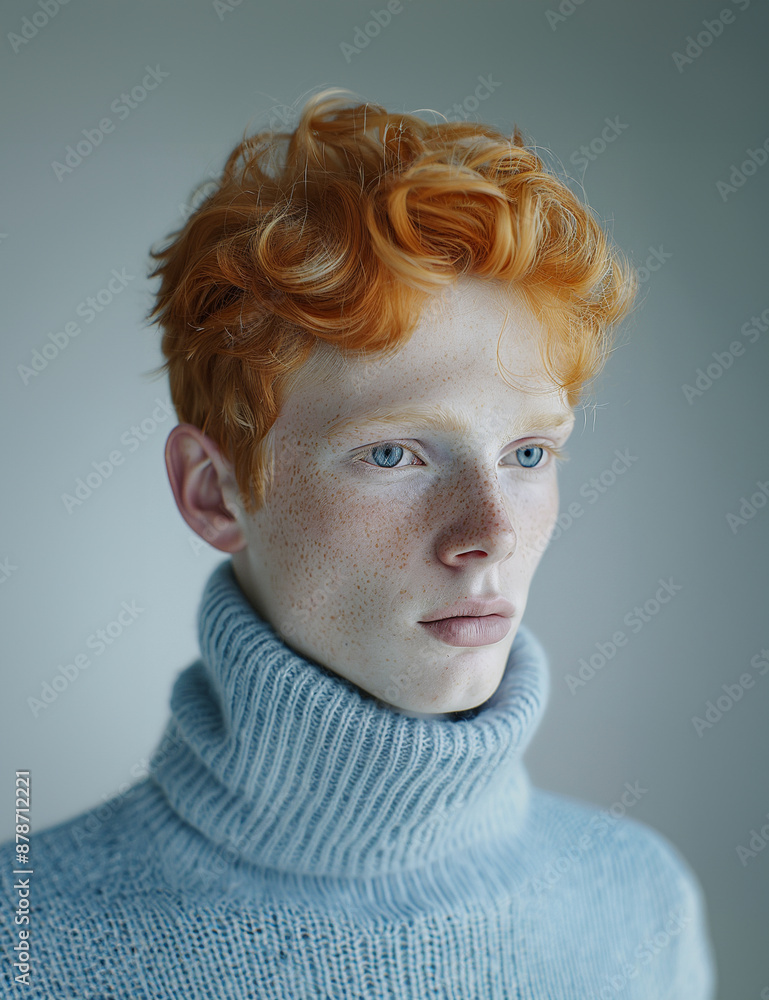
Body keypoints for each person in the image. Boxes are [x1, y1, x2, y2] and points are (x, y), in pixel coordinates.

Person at [1, 88, 717, 998]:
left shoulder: (637, 901)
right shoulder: (26, 938)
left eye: (528, 453)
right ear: (214, 491)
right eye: (393, 452)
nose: (489, 534)